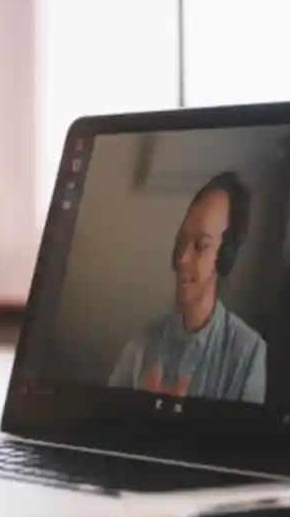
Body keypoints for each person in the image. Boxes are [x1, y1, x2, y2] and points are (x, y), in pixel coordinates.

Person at [109, 172, 267, 403]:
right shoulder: (143, 341)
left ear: (225, 258)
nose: (182, 258)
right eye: (182, 241)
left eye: (201, 245)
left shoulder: (248, 352)